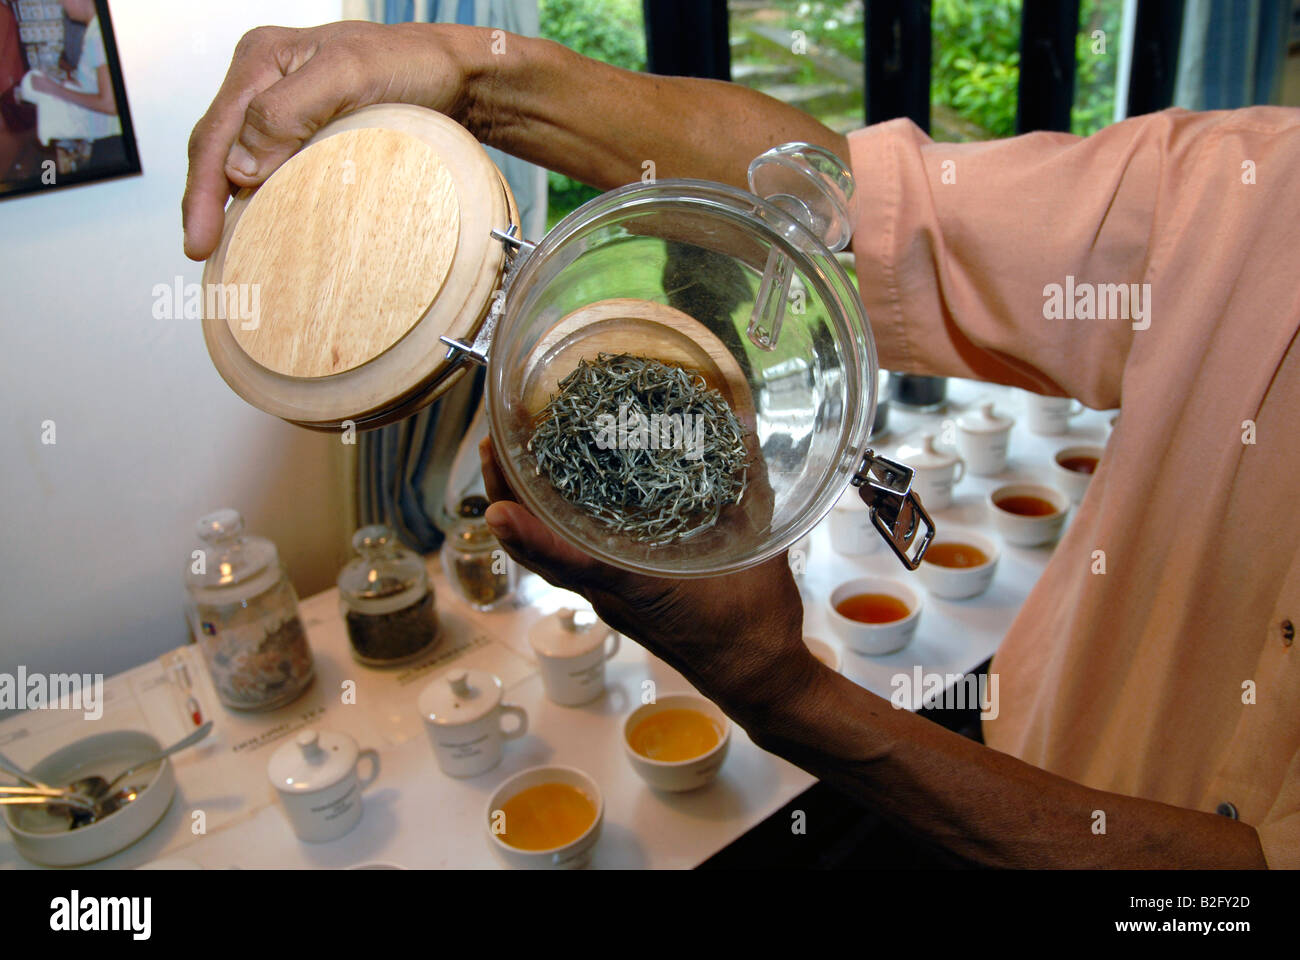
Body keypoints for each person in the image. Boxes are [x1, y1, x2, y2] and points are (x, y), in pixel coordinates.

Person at [183, 22, 1300, 868]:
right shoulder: (1253, 185)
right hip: (1028, 738)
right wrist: (469, 69)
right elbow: (846, 194)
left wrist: (780, 691)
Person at [24, 0, 122, 167]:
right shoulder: (94, 31)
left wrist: (54, 90)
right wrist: (73, 83)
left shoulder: (98, 35)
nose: (62, 5)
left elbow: (110, 104)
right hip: (107, 138)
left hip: (113, 142)